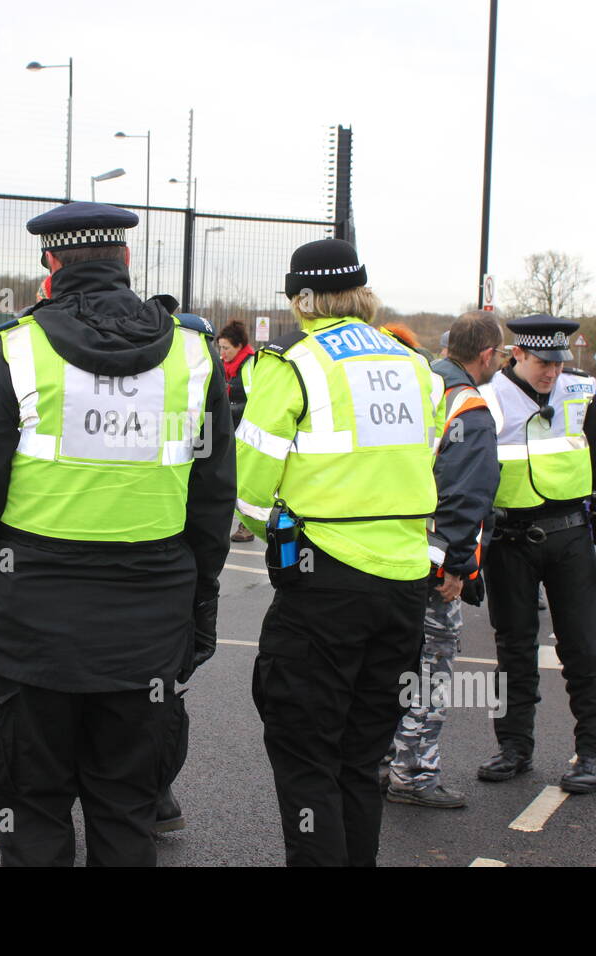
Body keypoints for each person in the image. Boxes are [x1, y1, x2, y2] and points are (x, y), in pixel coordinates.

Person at [0, 202, 235, 867]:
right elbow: (212, 502)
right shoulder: (192, 354)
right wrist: (200, 608)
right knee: (126, 810)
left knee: (33, 810)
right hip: (148, 624)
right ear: (126, 262)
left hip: (30, 625)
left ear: (51, 268)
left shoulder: (18, 350)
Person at [237, 238, 437, 866]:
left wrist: (285, 532)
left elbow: (247, 491)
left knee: (306, 757)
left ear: (302, 299)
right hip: (405, 582)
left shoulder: (291, 364)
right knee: (361, 758)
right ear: (362, 293)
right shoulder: (415, 364)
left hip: (323, 585)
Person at [476, 314, 596, 795]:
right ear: (516, 354)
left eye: (559, 362)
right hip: (508, 541)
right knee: (513, 649)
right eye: (543, 362)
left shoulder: (579, 393)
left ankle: (592, 753)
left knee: (584, 648)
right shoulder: (487, 397)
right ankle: (514, 748)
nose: (552, 372)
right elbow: (468, 475)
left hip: (569, 537)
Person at [385, 310, 502, 809]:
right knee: (431, 671)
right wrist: (454, 566)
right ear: (488, 355)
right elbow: (465, 495)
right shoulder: (469, 408)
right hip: (432, 563)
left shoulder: (418, 384)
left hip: (388, 553)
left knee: (390, 665)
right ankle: (413, 773)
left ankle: (380, 759)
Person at [217, 319, 256, 543]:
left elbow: (255, 401)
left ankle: (247, 525)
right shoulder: (226, 366)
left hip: (246, 433)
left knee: (243, 480)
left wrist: (228, 408)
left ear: (239, 346)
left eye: (226, 348)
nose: (222, 353)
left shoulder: (250, 365)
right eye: (220, 348)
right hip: (231, 431)